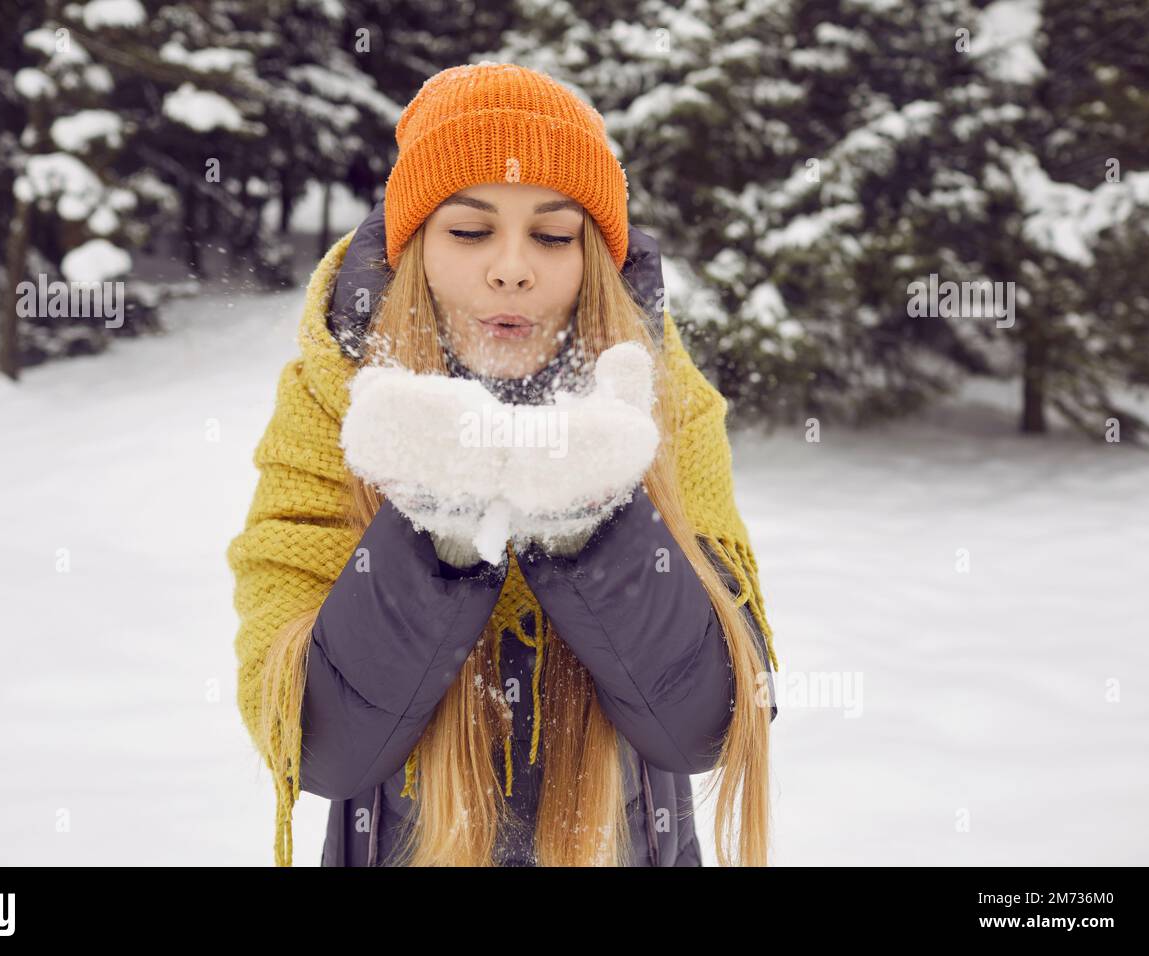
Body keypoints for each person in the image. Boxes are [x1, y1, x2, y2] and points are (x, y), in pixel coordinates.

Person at [227, 61, 779, 867]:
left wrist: (593, 520)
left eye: (554, 236)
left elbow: (707, 724)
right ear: (414, 247)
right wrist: (433, 526)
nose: (512, 267)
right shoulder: (332, 398)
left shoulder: (661, 401)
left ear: (593, 258)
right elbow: (319, 746)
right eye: (470, 230)